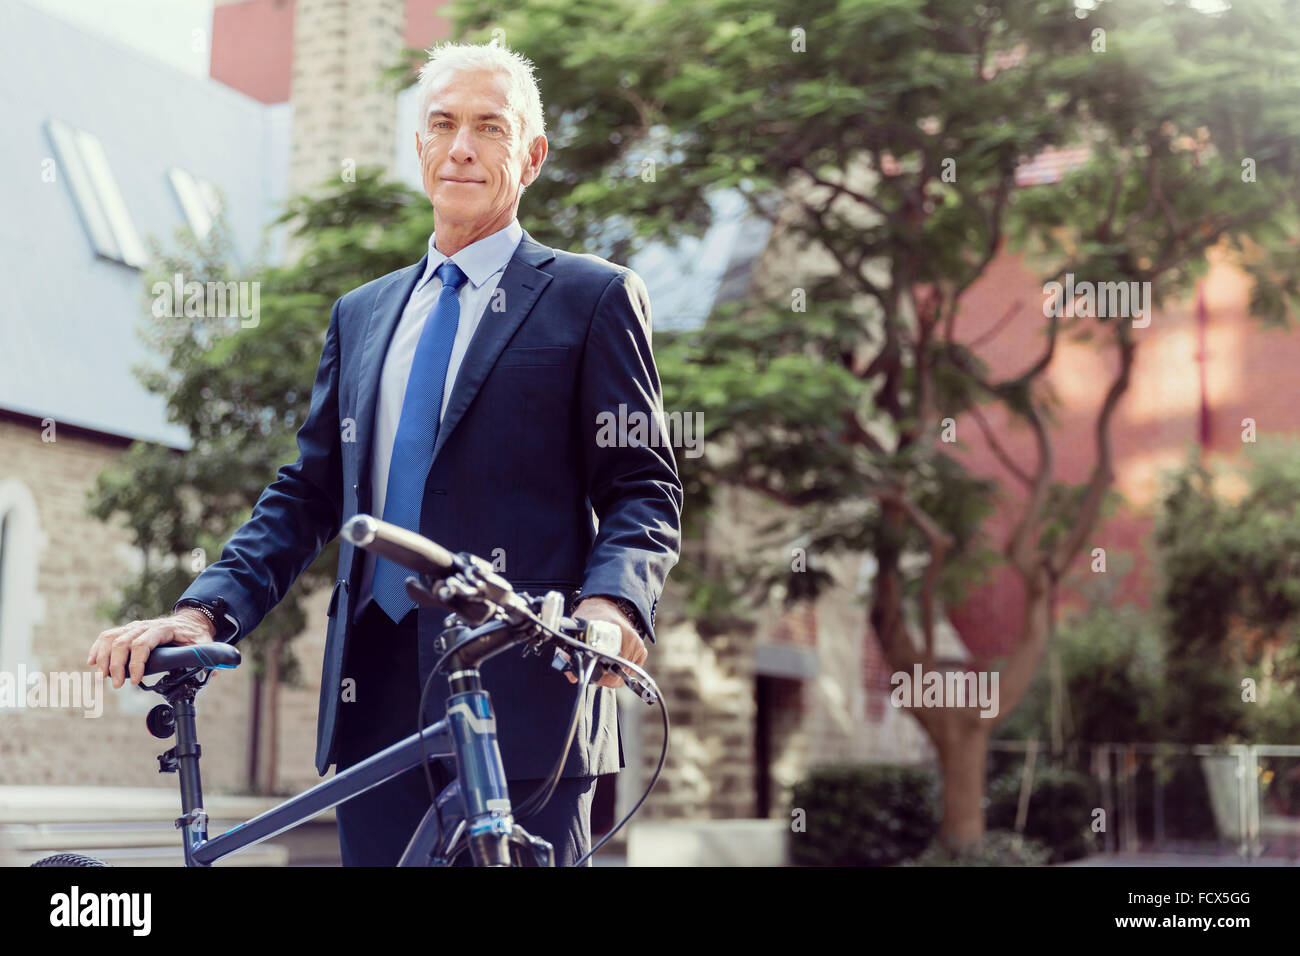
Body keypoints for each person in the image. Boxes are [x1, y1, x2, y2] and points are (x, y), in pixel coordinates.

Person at [87, 41, 682, 867]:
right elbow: (308, 492)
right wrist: (203, 610)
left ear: (532, 155)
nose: (462, 147)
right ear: (419, 147)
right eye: (442, 124)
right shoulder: (361, 314)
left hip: (527, 698)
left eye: (490, 127)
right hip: (373, 706)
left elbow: (643, 487)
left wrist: (611, 609)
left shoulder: (592, 298)